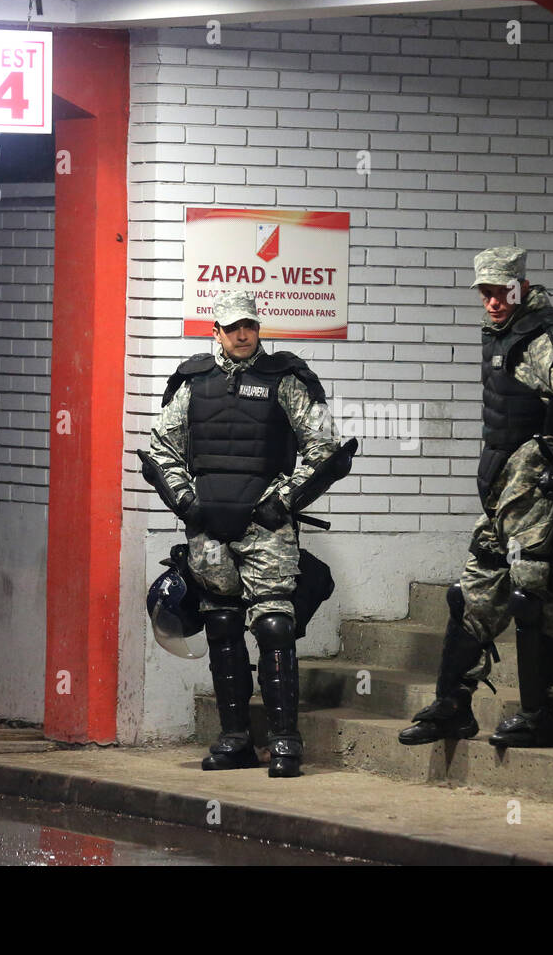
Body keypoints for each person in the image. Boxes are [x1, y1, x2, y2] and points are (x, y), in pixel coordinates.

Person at [399, 247, 553, 749]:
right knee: (470, 593)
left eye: (501, 291)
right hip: (504, 493)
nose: (493, 301)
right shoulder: (501, 333)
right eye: (486, 292)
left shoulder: (549, 332)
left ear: (521, 285)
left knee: (531, 599)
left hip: (536, 491)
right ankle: (452, 707)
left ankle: (535, 715)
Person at [142, 291, 350, 778]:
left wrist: (286, 500)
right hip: (208, 529)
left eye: (250, 326)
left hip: (265, 527)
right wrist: (187, 503)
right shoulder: (193, 381)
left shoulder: (285, 380)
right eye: (233, 327)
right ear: (215, 329)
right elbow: (160, 451)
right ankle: (234, 739)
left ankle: (284, 743)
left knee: (274, 625)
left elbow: (326, 451)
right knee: (221, 625)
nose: (242, 334)